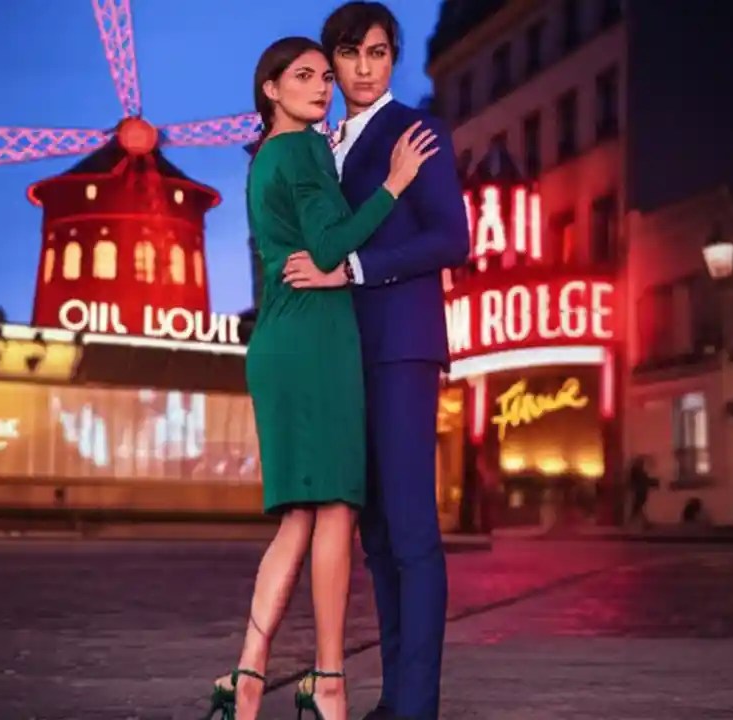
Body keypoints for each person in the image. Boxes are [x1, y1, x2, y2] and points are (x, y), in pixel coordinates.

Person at [206, 35, 438, 720]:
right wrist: (394, 184)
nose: (323, 86)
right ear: (270, 89)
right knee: (334, 510)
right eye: (303, 76)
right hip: (316, 340)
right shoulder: (303, 149)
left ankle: (248, 680)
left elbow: (304, 233)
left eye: (323, 78)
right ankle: (327, 683)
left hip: (279, 340)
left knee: (298, 520)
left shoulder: (263, 159)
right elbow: (333, 242)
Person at [282, 5, 471, 718]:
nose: (365, 68)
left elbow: (451, 238)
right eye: (351, 54)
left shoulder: (415, 132)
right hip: (342, 355)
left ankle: (415, 706)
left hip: (399, 348)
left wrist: (355, 268)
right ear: (332, 60)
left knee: (413, 529)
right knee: (378, 534)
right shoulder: (323, 142)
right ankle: (397, 697)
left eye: (379, 53)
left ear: (393, 60)